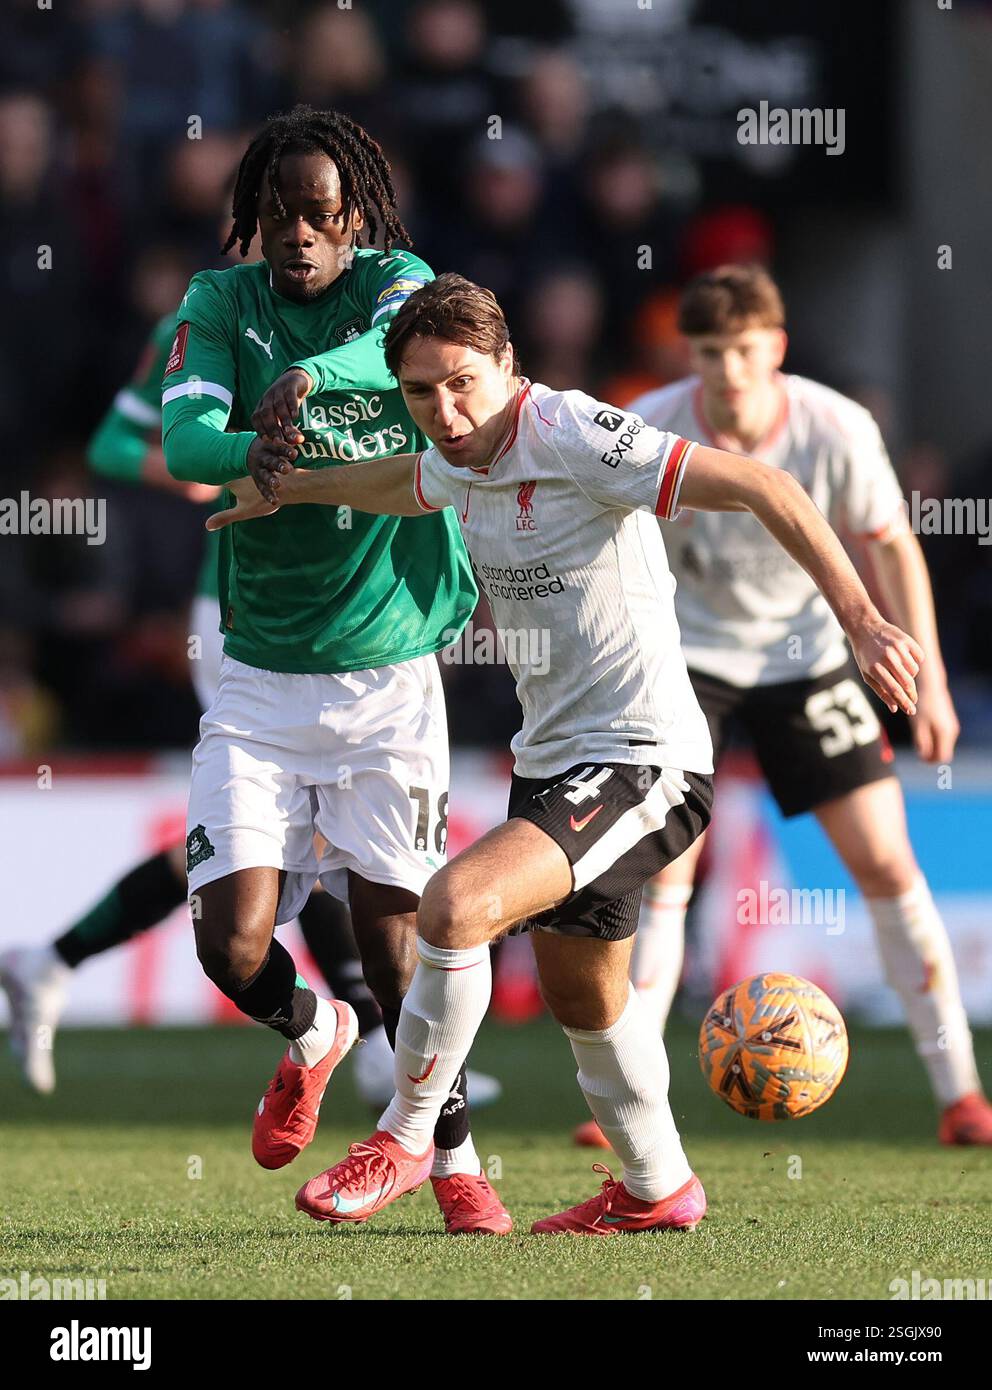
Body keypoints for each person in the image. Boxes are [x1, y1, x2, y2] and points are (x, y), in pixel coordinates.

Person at [207, 272, 921, 1234]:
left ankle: (405, 1136)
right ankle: (657, 1188)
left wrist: (865, 620)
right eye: (419, 394)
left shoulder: (577, 434)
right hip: (555, 759)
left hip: (646, 758)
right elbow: (404, 485)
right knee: (586, 998)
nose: (444, 412)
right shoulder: (458, 453)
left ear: (509, 365)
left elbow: (765, 483)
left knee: (454, 907)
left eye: (461, 383)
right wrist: (285, 489)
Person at [160, 108, 508, 1235]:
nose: (299, 235)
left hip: (387, 672)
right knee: (231, 944)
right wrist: (251, 448)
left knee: (403, 958)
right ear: (252, 221)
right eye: (278, 216)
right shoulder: (217, 303)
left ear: (353, 215)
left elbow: (395, 351)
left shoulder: (398, 284)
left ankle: (456, 1161)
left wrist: (301, 387)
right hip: (258, 681)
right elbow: (185, 446)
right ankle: (311, 1033)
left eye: (320, 214)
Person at [571, 264, 992, 1150]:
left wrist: (935, 678)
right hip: (684, 661)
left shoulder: (837, 426)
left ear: (778, 349)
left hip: (809, 658)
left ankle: (959, 1093)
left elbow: (890, 544)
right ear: (691, 354)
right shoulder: (650, 425)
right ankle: (630, 1104)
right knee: (667, 873)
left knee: (884, 862)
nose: (728, 371)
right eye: (712, 352)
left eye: (746, 351)